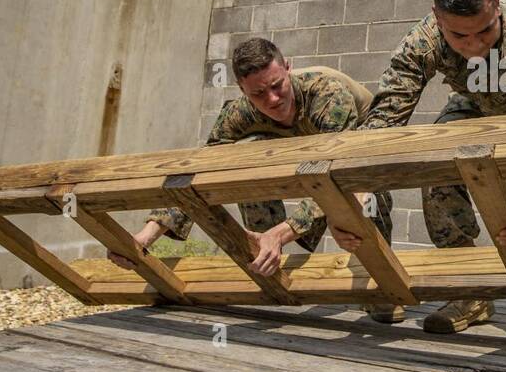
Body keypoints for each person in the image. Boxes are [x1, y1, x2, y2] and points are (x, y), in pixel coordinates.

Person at [331, 0, 506, 345]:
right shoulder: (423, 40)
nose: (475, 45)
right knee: (437, 157)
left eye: (485, 30)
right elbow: (384, 120)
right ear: (437, 18)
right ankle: (468, 290)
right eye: (459, 37)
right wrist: (354, 197)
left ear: (496, 4)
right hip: (475, 104)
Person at [107, 38, 400, 323]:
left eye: (277, 86)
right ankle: (266, 256)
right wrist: (146, 235)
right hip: (304, 156)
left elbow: (334, 172)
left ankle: (383, 288)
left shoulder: (328, 95)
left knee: (366, 192)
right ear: (242, 90)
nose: (272, 99)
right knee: (240, 155)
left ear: (287, 67)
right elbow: (198, 173)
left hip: (356, 158)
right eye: (259, 94)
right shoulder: (238, 113)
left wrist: (286, 232)